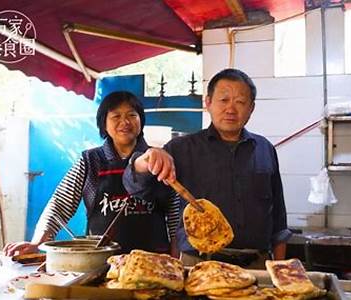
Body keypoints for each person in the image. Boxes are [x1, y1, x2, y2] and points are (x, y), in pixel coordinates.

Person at [123, 69, 292, 268]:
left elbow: (278, 218)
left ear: (251, 108)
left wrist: (280, 268)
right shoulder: (181, 148)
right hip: (198, 264)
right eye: (223, 100)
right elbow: (137, 187)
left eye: (240, 102)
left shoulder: (265, 149)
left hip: (257, 266)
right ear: (208, 103)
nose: (231, 109)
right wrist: (145, 159)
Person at [4, 91, 179, 257]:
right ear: (104, 123)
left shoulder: (158, 159)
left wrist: (176, 255)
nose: (125, 122)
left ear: (141, 120)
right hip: (101, 262)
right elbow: (59, 205)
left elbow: (174, 213)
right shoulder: (89, 161)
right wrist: (36, 243)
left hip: (153, 261)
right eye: (116, 116)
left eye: (132, 115)